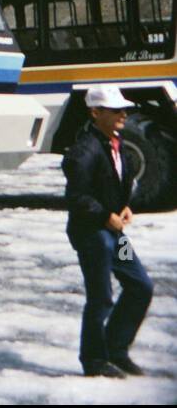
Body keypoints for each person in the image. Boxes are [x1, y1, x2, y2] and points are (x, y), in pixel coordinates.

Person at [62, 84, 154, 378]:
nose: (123, 115)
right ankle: (93, 360)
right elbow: (76, 198)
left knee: (140, 286)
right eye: (116, 110)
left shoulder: (117, 144)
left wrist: (125, 205)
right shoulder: (83, 150)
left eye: (124, 109)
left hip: (115, 234)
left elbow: (119, 184)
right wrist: (105, 216)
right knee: (100, 297)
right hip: (93, 235)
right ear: (96, 112)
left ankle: (116, 349)